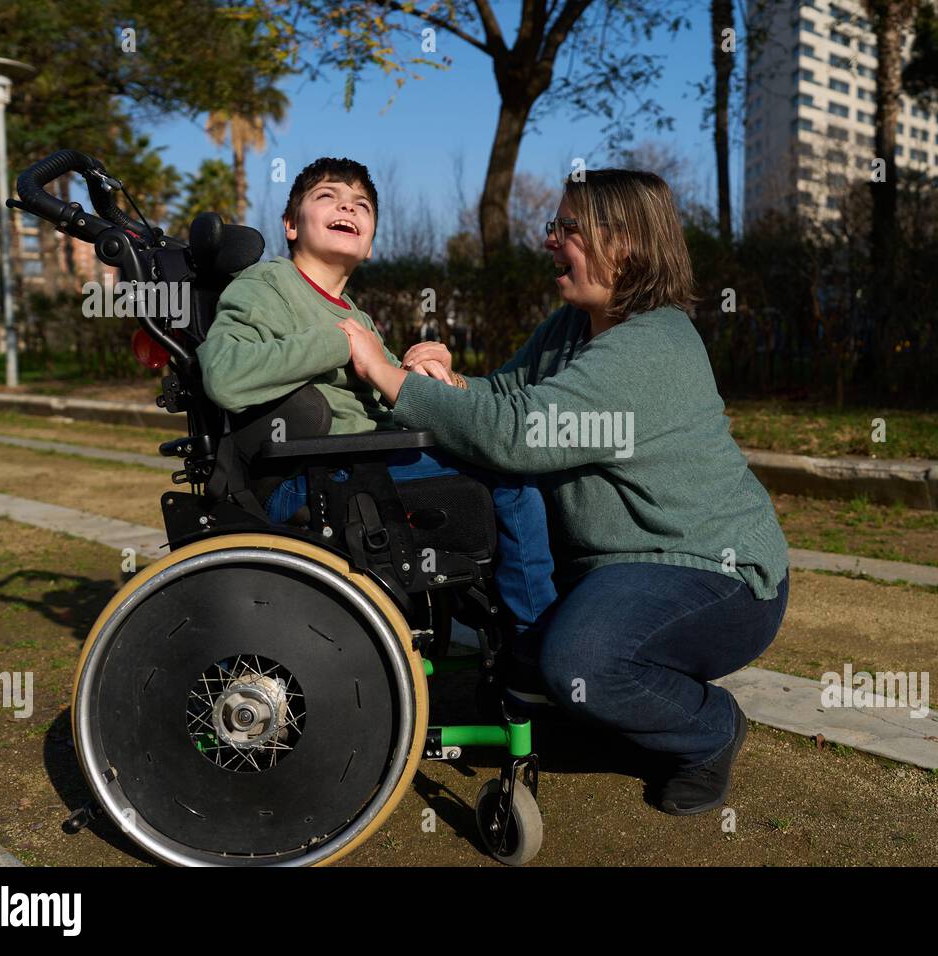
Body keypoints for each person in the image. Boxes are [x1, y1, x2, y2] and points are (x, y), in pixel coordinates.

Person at [344, 169, 791, 816]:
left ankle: (710, 729)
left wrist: (385, 374)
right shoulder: (570, 328)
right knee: (545, 658)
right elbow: (504, 395)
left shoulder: (654, 346)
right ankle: (611, 691)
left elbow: (521, 433)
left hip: (712, 572)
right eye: (554, 226)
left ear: (628, 243)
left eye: (568, 228)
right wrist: (448, 380)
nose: (551, 241)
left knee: (582, 660)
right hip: (616, 565)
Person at [195, 157, 557, 635]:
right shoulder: (265, 285)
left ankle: (503, 627)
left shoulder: (355, 314)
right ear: (290, 225)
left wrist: (425, 373)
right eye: (327, 197)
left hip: (363, 461)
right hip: (310, 476)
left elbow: (390, 395)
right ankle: (538, 645)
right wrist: (338, 344)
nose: (348, 205)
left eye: (361, 204)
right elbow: (223, 375)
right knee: (512, 470)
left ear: (369, 244)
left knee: (505, 454)